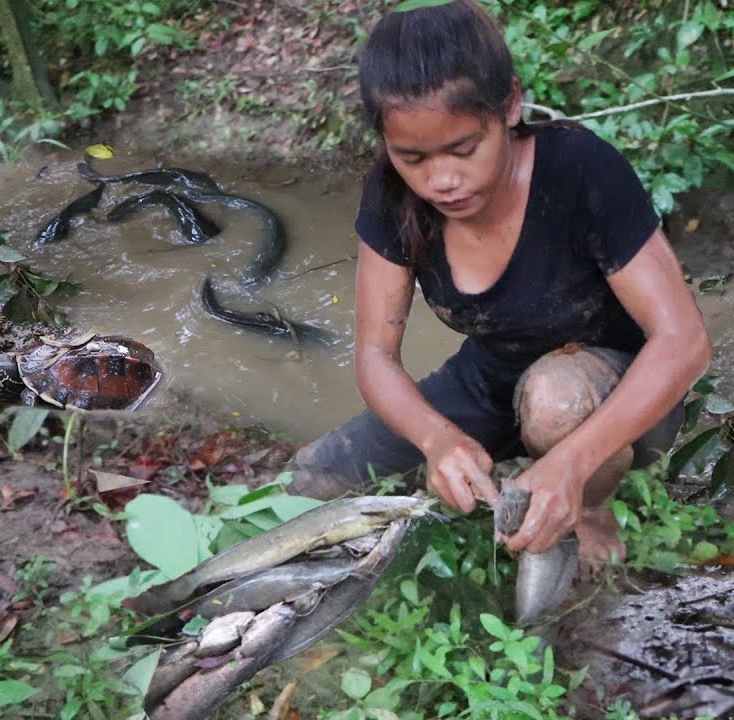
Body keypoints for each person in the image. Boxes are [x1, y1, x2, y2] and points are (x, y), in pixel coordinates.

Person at [290, 0, 711, 569]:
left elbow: (683, 342)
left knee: (555, 403)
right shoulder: (392, 195)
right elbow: (374, 355)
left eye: (463, 148)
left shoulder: (580, 171)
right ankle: (507, 455)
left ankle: (591, 510)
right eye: (412, 157)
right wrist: (438, 440)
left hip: (616, 385)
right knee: (310, 479)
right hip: (491, 379)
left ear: (510, 104)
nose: (442, 180)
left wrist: (572, 463)